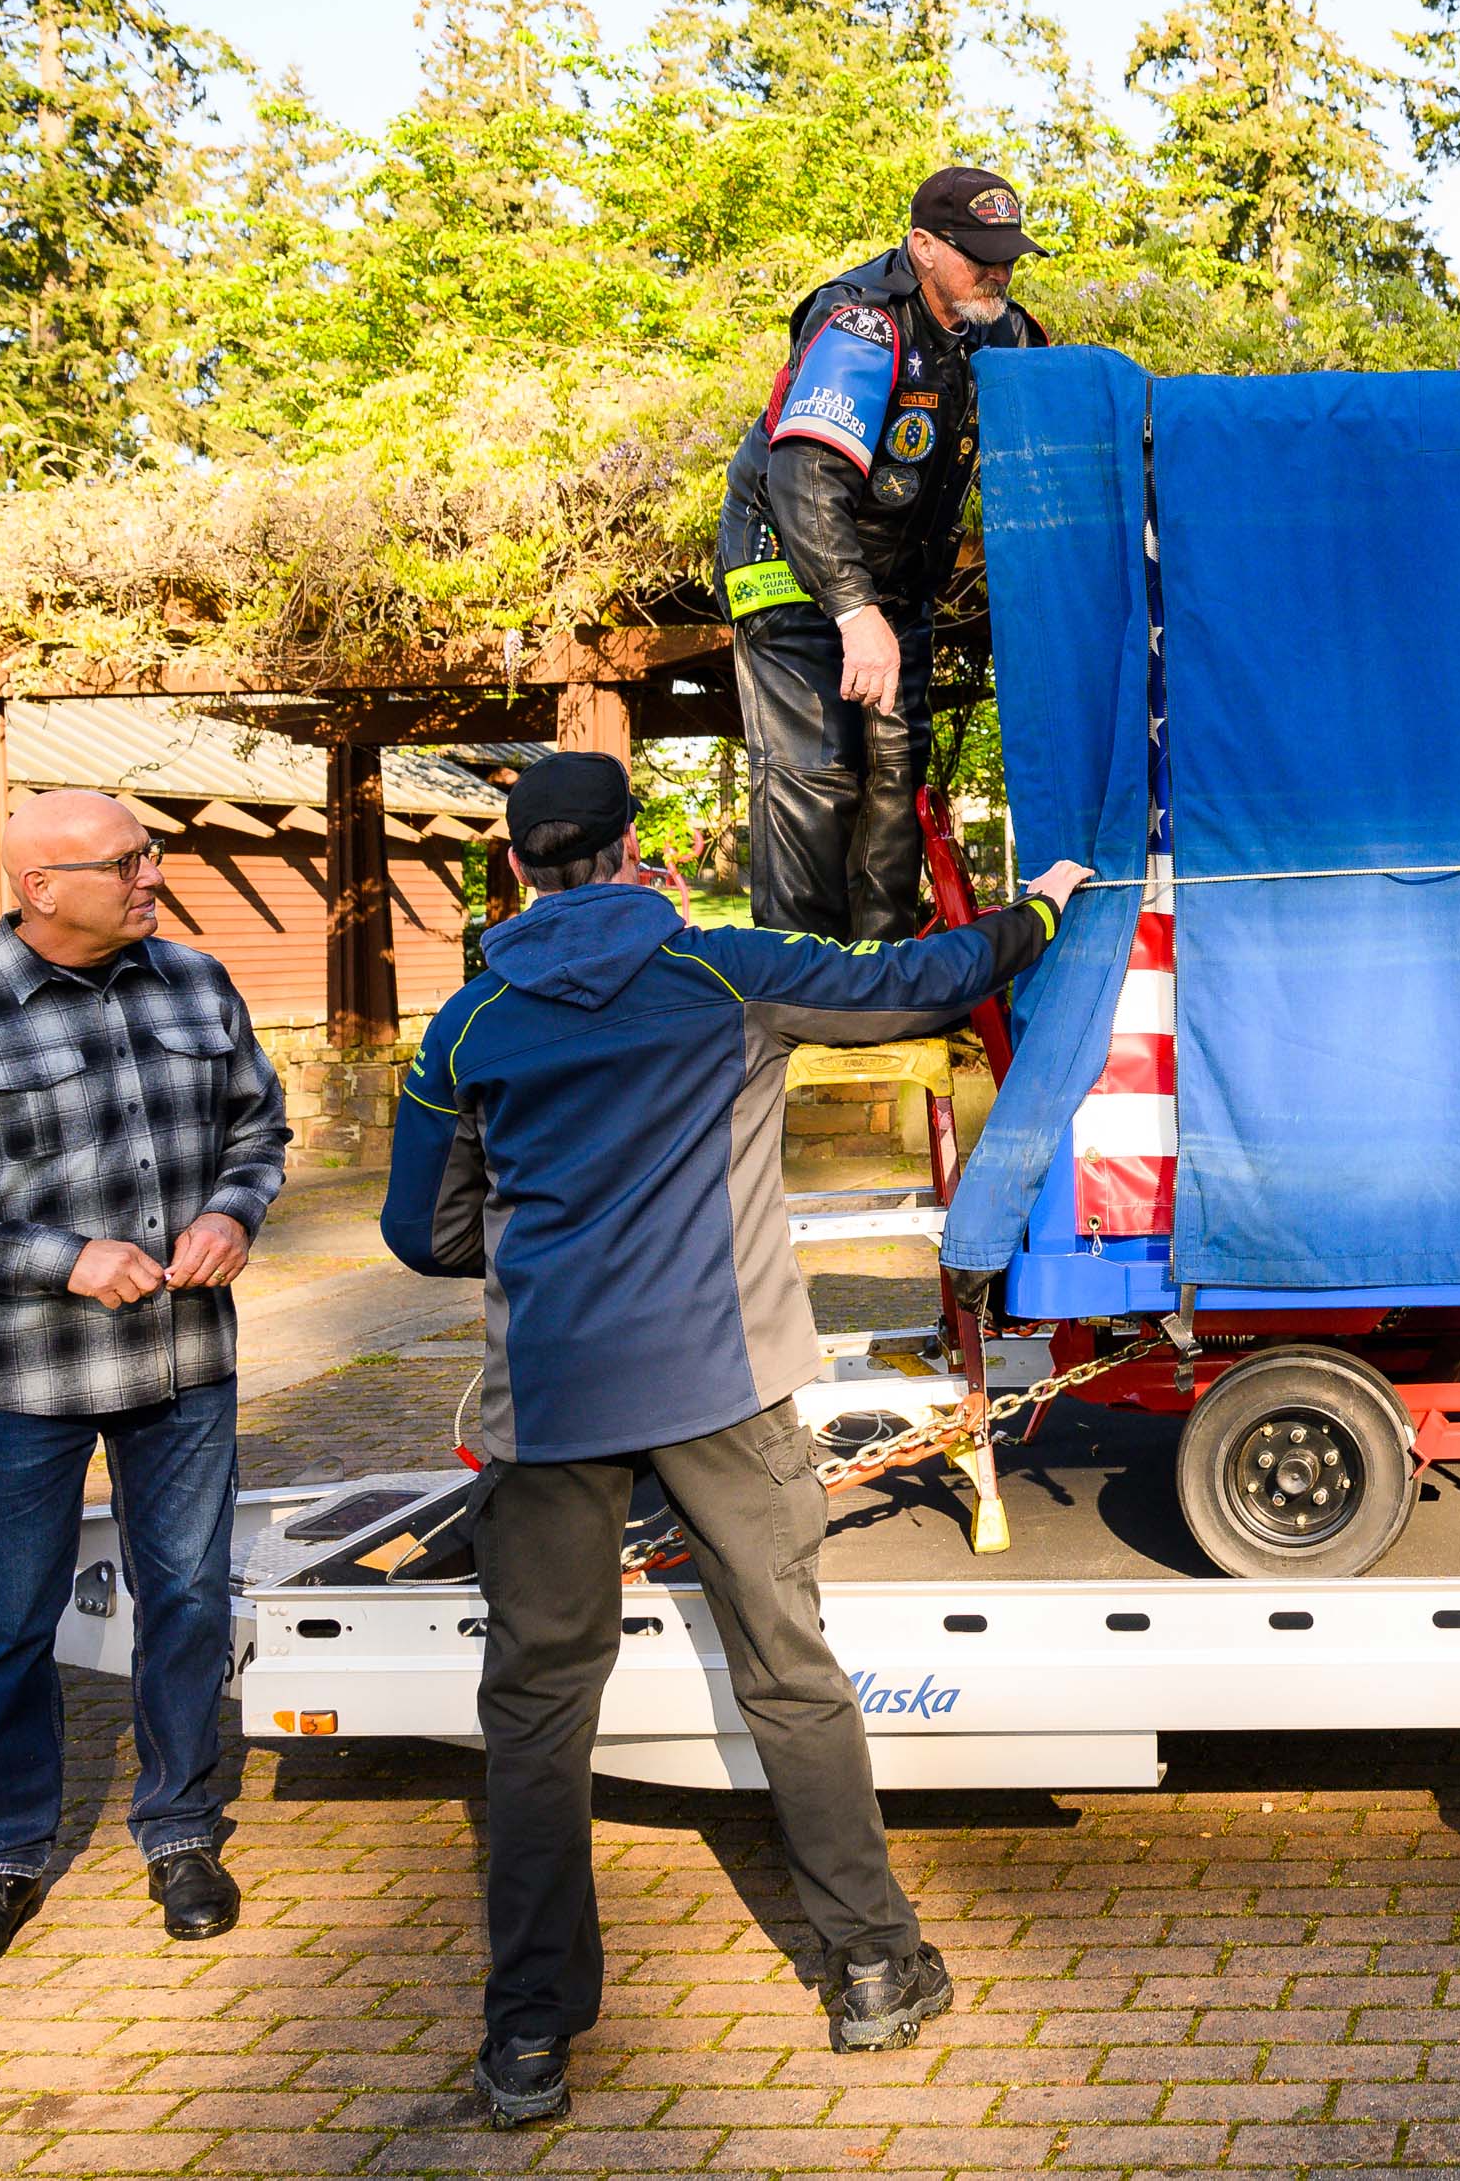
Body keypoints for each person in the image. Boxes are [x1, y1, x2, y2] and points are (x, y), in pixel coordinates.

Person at [380, 749, 1090, 2126]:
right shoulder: (724, 971)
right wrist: (1042, 910)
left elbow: (421, 1232)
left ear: (518, 863)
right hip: (727, 1385)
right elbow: (920, 985)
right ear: (637, 845)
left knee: (535, 1713)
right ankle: (876, 1971)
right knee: (790, 1672)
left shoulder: (465, 1029)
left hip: (551, 1410)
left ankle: (527, 2039)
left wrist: (529, 1232)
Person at [0, 790, 288, 1973]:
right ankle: (2, 1855)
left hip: (184, 1362)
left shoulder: (197, 982)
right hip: (19, 1378)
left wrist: (236, 1214)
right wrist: (64, 1260)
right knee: (8, 1622)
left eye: (152, 854)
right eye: (128, 861)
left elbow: (261, 1131)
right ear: (41, 886)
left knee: (188, 1601)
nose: (153, 874)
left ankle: (181, 1828)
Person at [718, 164, 1050, 941]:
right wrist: (853, 610)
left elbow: (1058, 427)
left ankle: (884, 980)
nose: (996, 272)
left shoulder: (1002, 326)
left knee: (898, 773)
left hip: (895, 582)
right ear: (924, 248)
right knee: (819, 771)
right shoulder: (863, 325)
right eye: (977, 255)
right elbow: (803, 480)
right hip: (788, 558)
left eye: (1006, 256)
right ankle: (808, 992)